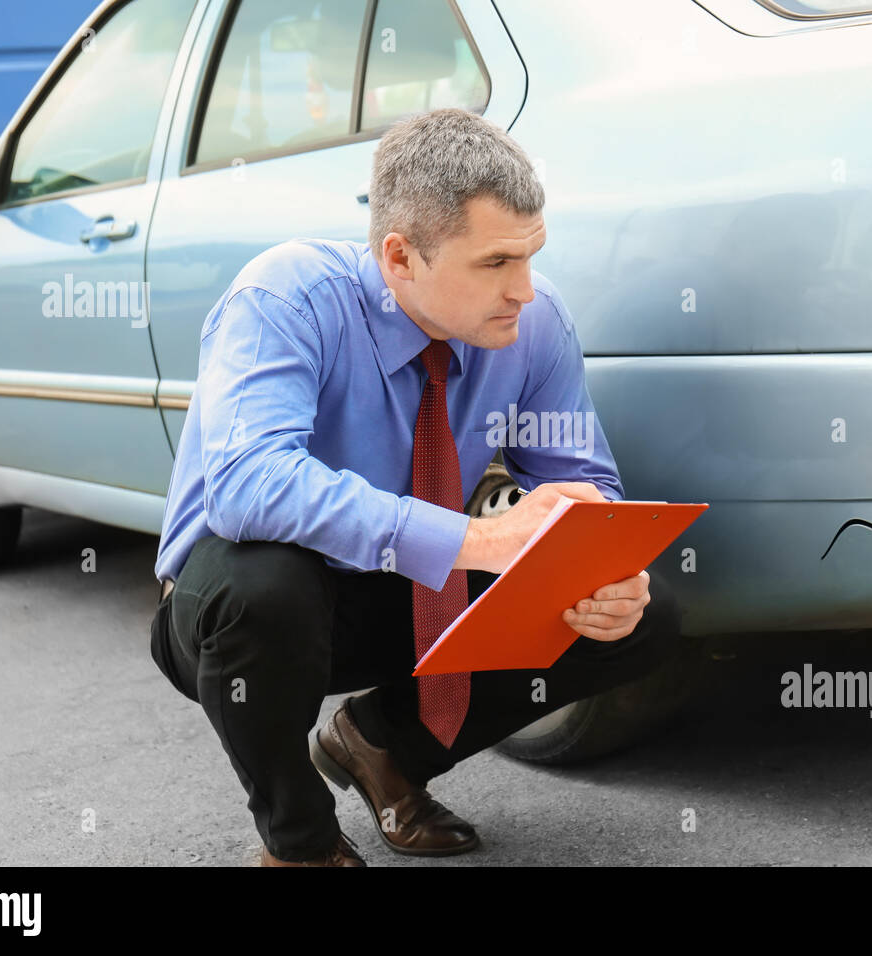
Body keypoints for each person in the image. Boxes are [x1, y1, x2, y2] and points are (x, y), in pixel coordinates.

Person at [148, 107, 682, 866]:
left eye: (530, 256)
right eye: (496, 263)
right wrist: (479, 540)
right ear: (401, 256)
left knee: (646, 615)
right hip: (244, 615)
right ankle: (299, 842)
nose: (524, 289)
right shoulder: (284, 297)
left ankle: (382, 748)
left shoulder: (534, 324)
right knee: (264, 585)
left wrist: (602, 563)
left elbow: (584, 483)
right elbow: (247, 484)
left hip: (407, 596)